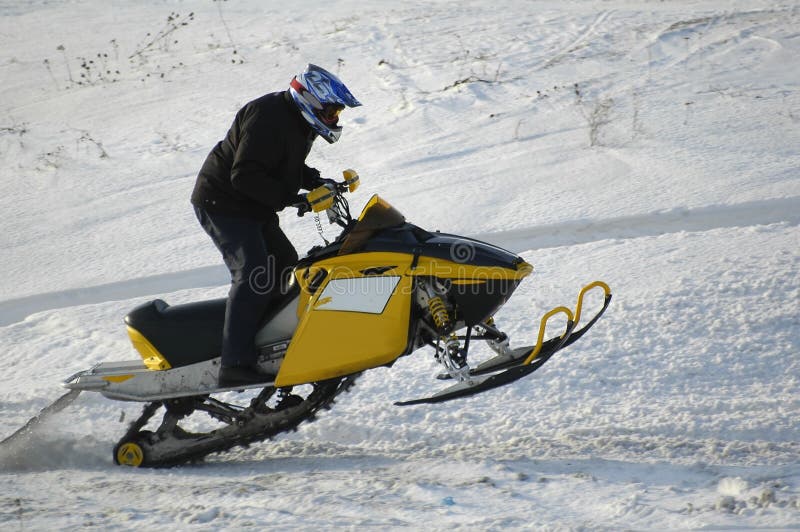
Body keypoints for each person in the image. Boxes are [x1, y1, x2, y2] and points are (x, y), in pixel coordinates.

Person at [190, 64, 361, 387]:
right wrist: (294, 199)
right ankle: (234, 363)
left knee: (284, 261)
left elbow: (286, 161)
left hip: (251, 203)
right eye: (331, 111)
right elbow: (245, 175)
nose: (335, 118)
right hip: (222, 203)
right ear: (310, 100)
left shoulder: (295, 121)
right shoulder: (267, 116)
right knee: (253, 271)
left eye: (337, 113)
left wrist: (315, 182)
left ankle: (264, 336)